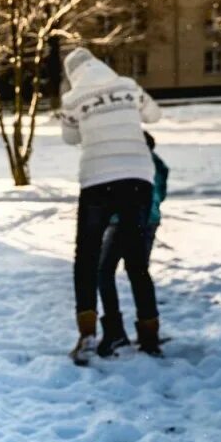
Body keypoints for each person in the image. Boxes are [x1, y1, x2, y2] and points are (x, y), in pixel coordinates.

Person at [60, 48, 163, 364]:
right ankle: (149, 336)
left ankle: (87, 333)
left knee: (87, 257)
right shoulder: (129, 85)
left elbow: (69, 137)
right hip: (138, 177)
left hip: (97, 179)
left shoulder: (73, 99)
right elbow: (154, 115)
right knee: (135, 261)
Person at [96, 130, 169, 356]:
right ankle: (149, 335)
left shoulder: (130, 167)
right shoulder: (157, 164)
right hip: (150, 222)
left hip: (123, 224)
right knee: (138, 273)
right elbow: (160, 194)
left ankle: (114, 333)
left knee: (104, 272)